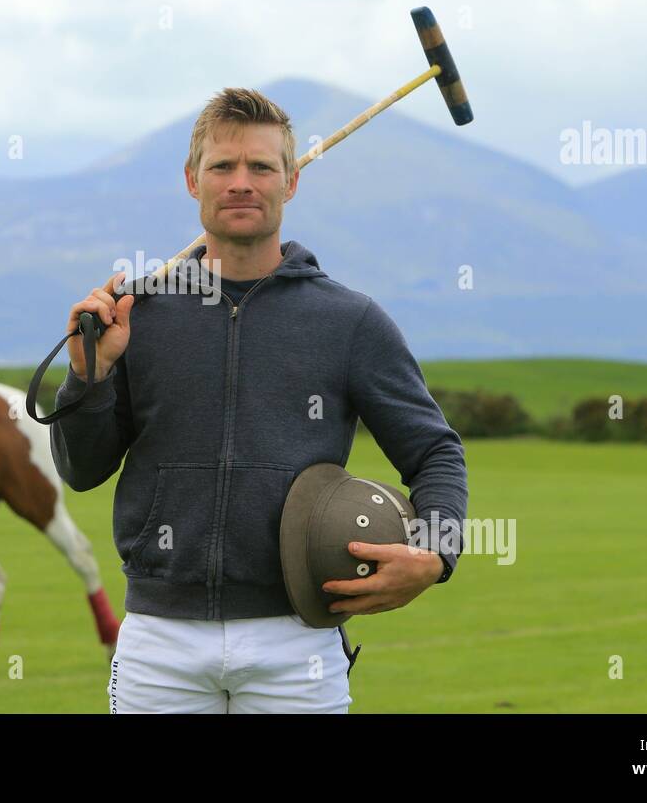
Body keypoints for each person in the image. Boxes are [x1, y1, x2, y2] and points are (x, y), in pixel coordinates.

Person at [50, 88, 468, 713]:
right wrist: (88, 377)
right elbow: (81, 472)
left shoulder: (349, 320)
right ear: (193, 181)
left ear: (292, 181)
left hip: (297, 639)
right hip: (159, 640)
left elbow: (435, 450)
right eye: (222, 167)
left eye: (261, 167)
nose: (241, 183)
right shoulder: (139, 315)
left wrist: (436, 551)